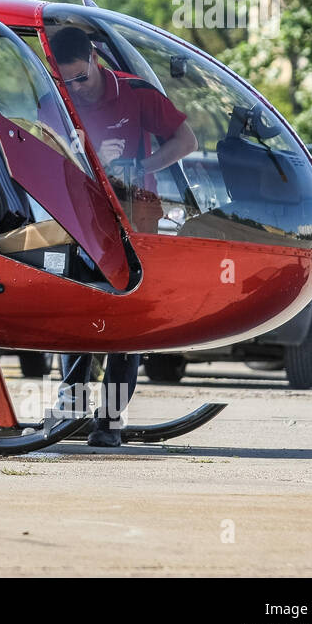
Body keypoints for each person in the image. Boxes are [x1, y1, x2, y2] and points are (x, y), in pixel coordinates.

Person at [48, 26, 198, 446]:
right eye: (65, 81)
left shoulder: (134, 93)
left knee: (126, 319)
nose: (75, 87)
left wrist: (140, 163)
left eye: (80, 77)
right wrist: (79, 152)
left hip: (136, 219)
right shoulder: (56, 101)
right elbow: (44, 151)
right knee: (77, 310)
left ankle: (111, 420)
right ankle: (72, 405)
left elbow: (186, 140)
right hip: (79, 220)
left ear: (95, 59)